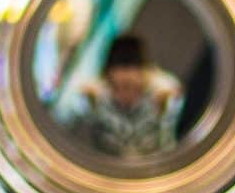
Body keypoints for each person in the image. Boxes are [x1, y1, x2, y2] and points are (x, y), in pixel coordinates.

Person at [55, 31, 183, 159]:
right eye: (120, 87)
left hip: (156, 169)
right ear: (108, 77)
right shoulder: (96, 93)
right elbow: (74, 106)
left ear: (146, 75)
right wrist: (89, 99)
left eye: (133, 87)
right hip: (110, 170)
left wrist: (165, 102)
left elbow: (173, 99)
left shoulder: (161, 90)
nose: (126, 94)